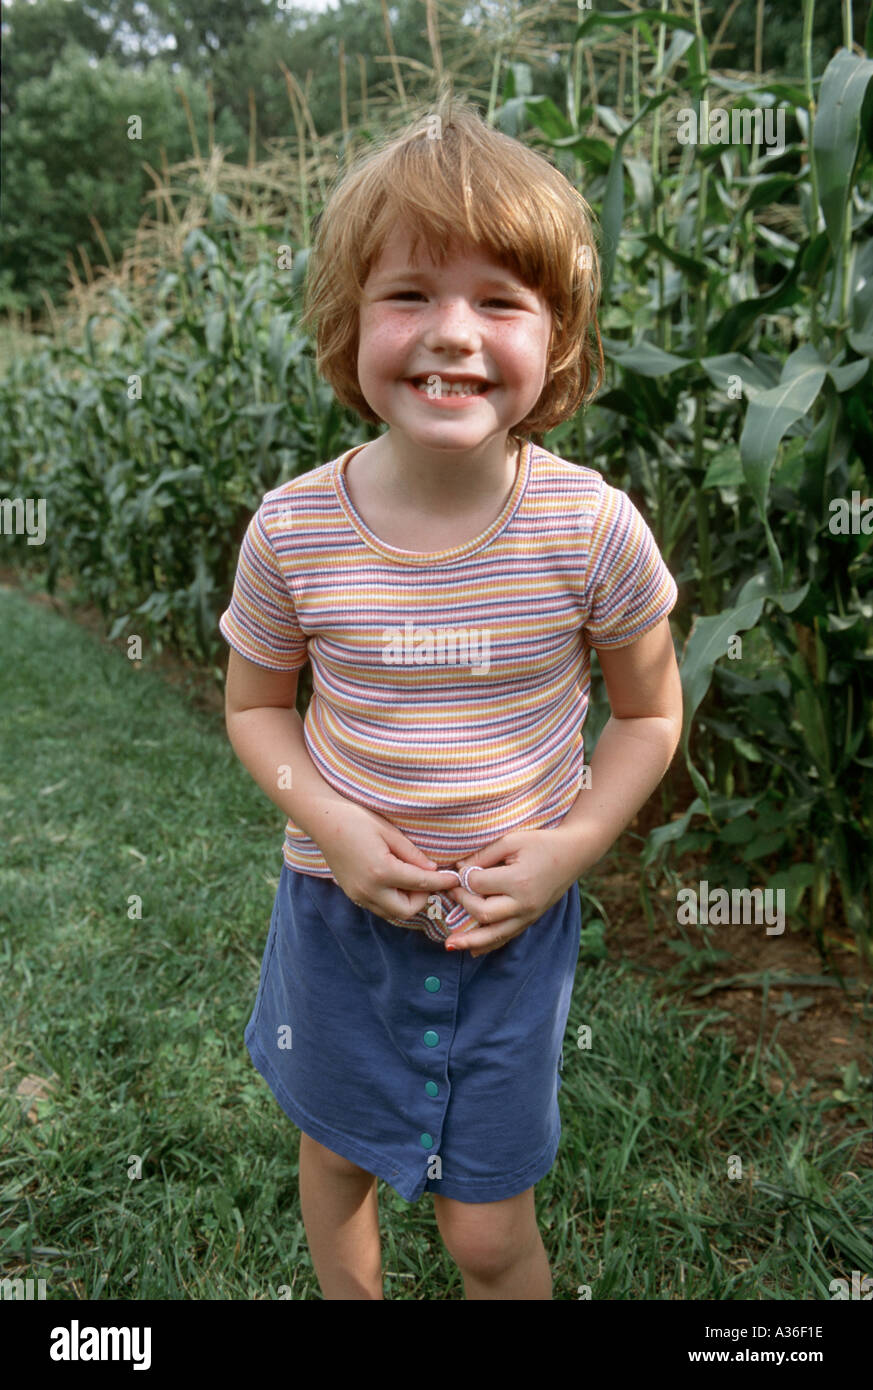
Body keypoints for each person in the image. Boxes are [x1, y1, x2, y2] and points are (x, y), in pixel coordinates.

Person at [219, 93, 683, 1300]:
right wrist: (332, 824)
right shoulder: (292, 531)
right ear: (348, 322)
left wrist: (566, 851)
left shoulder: (591, 530)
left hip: (508, 933)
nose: (453, 335)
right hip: (336, 922)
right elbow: (255, 708)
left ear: (559, 339)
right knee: (336, 1163)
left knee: (487, 1233)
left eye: (501, 301)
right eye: (409, 295)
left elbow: (648, 715)